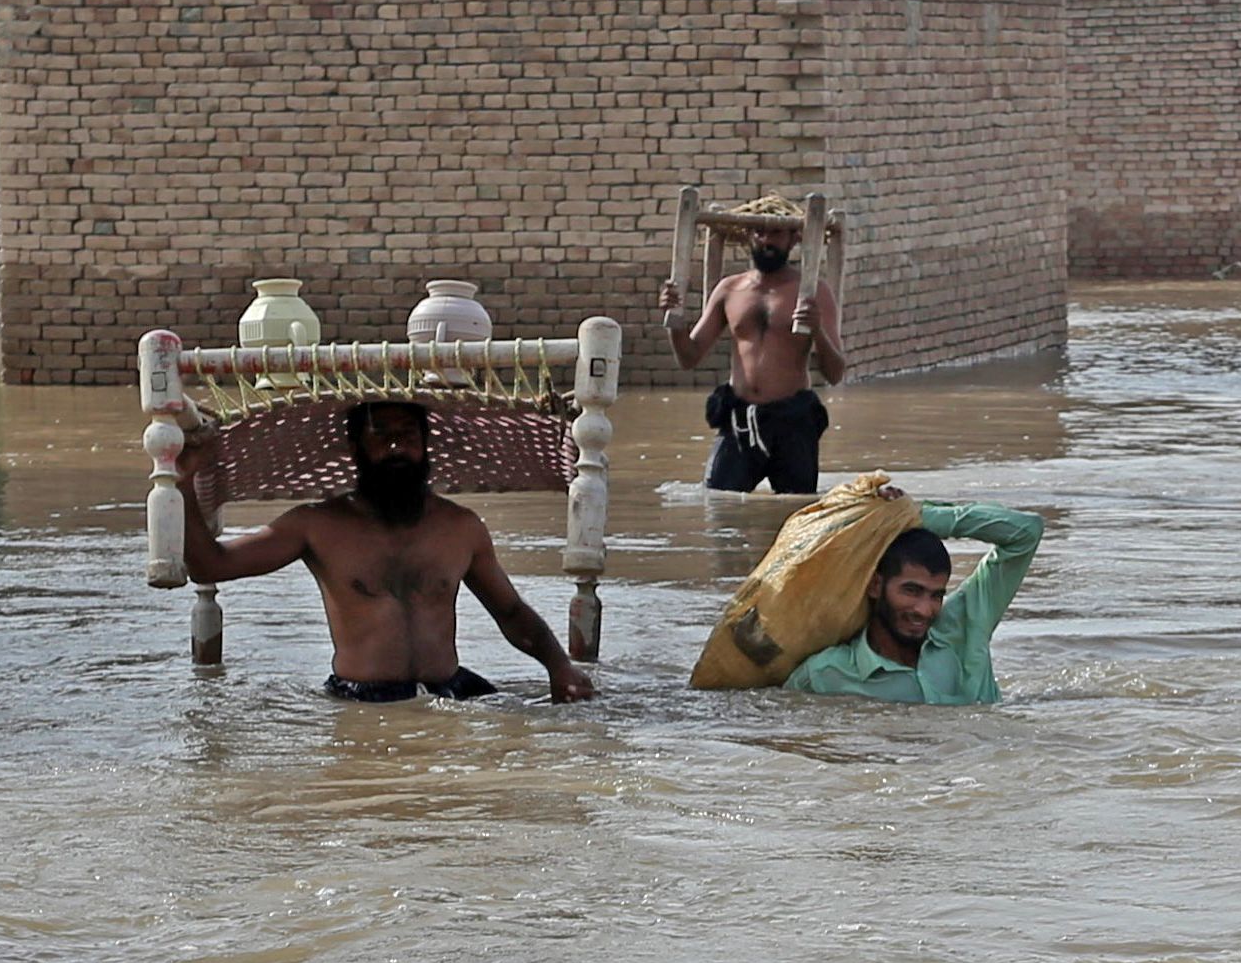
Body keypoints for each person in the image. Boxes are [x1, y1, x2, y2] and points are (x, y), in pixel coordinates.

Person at [176, 400, 596, 703]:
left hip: (451, 693)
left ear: (426, 447)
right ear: (356, 448)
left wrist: (559, 666)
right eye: (381, 435)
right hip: (361, 698)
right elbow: (211, 564)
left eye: (408, 435)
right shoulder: (317, 524)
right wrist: (182, 483)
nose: (397, 447)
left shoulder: (460, 527)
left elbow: (511, 613)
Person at [783, 490, 1043, 705]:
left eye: (936, 595)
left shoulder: (963, 626)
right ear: (875, 585)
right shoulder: (826, 674)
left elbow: (1025, 531)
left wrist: (915, 516)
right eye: (911, 591)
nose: (924, 610)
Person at [660, 196, 847, 494]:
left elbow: (836, 372)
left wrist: (817, 332)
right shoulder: (730, 289)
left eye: (775, 233)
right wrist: (675, 319)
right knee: (719, 506)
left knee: (794, 514)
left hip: (793, 422)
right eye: (759, 232)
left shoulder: (813, 292)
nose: (766, 240)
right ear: (748, 236)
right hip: (740, 419)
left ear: (794, 238)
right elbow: (689, 357)